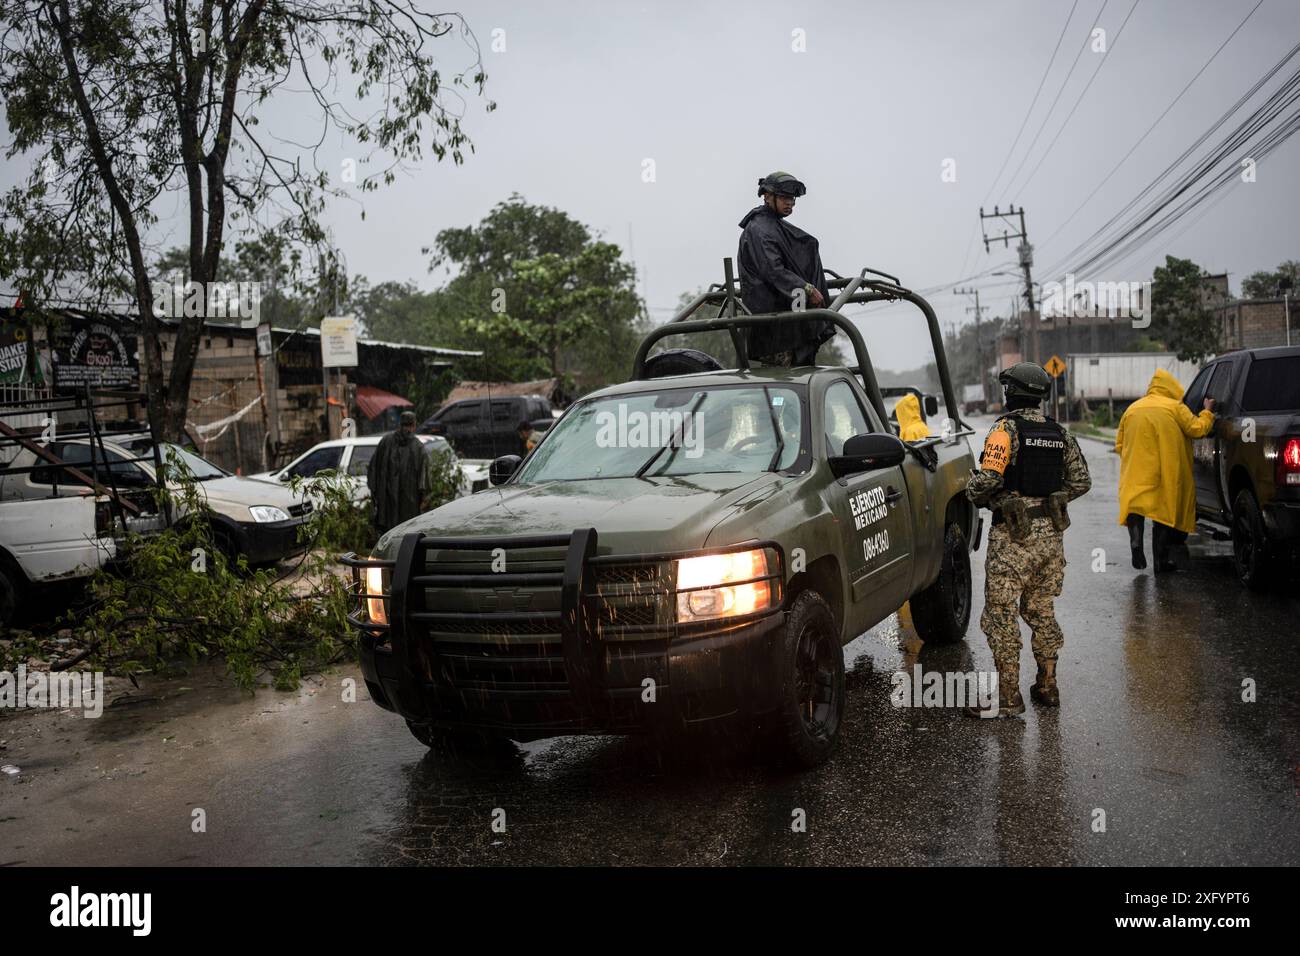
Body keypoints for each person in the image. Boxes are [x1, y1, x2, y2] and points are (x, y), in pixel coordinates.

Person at [965, 363, 1092, 717]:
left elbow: (987, 481)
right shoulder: (1058, 433)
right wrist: (1054, 499)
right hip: (1050, 540)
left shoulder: (1005, 429)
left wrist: (970, 488)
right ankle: (1048, 686)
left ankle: (1008, 698)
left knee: (1001, 615)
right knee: (1040, 610)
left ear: (1011, 392)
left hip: (1013, 539)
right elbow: (1081, 482)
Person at [1115, 369, 1215, 572]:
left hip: (1137, 469)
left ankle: (1136, 542)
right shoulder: (1175, 407)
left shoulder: (1133, 409)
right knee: (1163, 513)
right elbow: (1197, 429)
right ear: (1170, 387)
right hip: (1166, 470)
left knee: (1135, 507)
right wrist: (1208, 412)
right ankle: (1161, 562)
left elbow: (1119, 444)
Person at [736, 171, 835, 366]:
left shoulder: (773, 226)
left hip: (785, 323)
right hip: (774, 328)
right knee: (782, 388)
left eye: (792, 198)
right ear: (767, 196)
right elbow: (774, 271)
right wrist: (807, 289)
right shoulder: (759, 229)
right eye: (783, 197)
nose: (789, 203)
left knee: (795, 383)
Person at [367, 410, 430, 534]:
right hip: (408, 510)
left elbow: (372, 472)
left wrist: (376, 495)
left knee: (388, 539)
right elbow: (424, 484)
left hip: (388, 510)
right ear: (414, 425)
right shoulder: (418, 447)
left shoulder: (385, 442)